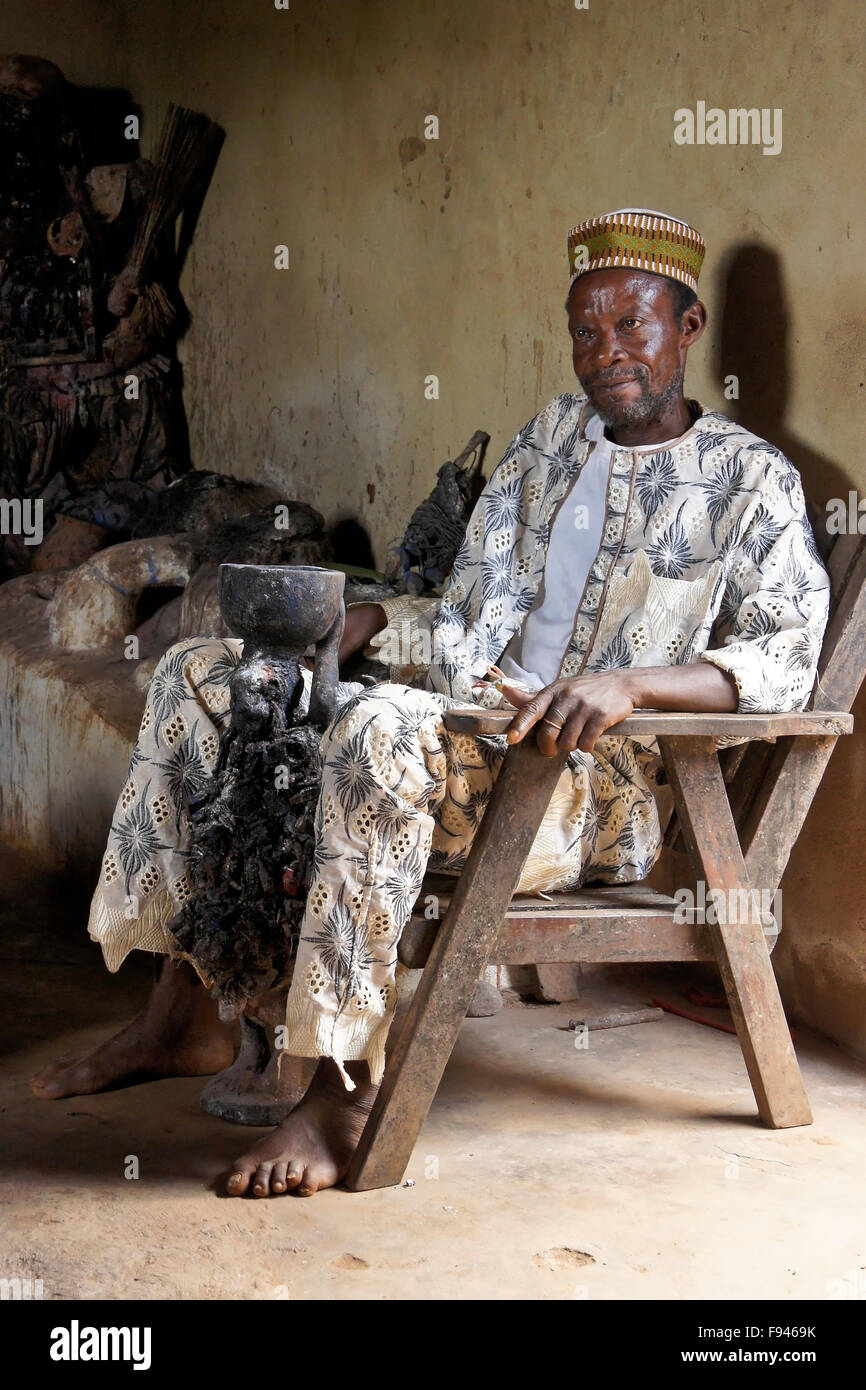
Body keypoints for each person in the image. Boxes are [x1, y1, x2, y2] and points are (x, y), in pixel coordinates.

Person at [32, 208, 831, 1198]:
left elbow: (780, 660)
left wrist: (625, 683)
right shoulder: (547, 445)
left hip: (596, 788)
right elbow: (461, 623)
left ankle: (338, 1088)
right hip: (465, 735)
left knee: (369, 727)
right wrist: (373, 624)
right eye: (585, 329)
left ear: (688, 326)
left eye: (630, 325)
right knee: (210, 675)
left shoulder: (747, 480)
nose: (604, 352)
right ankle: (181, 1015)